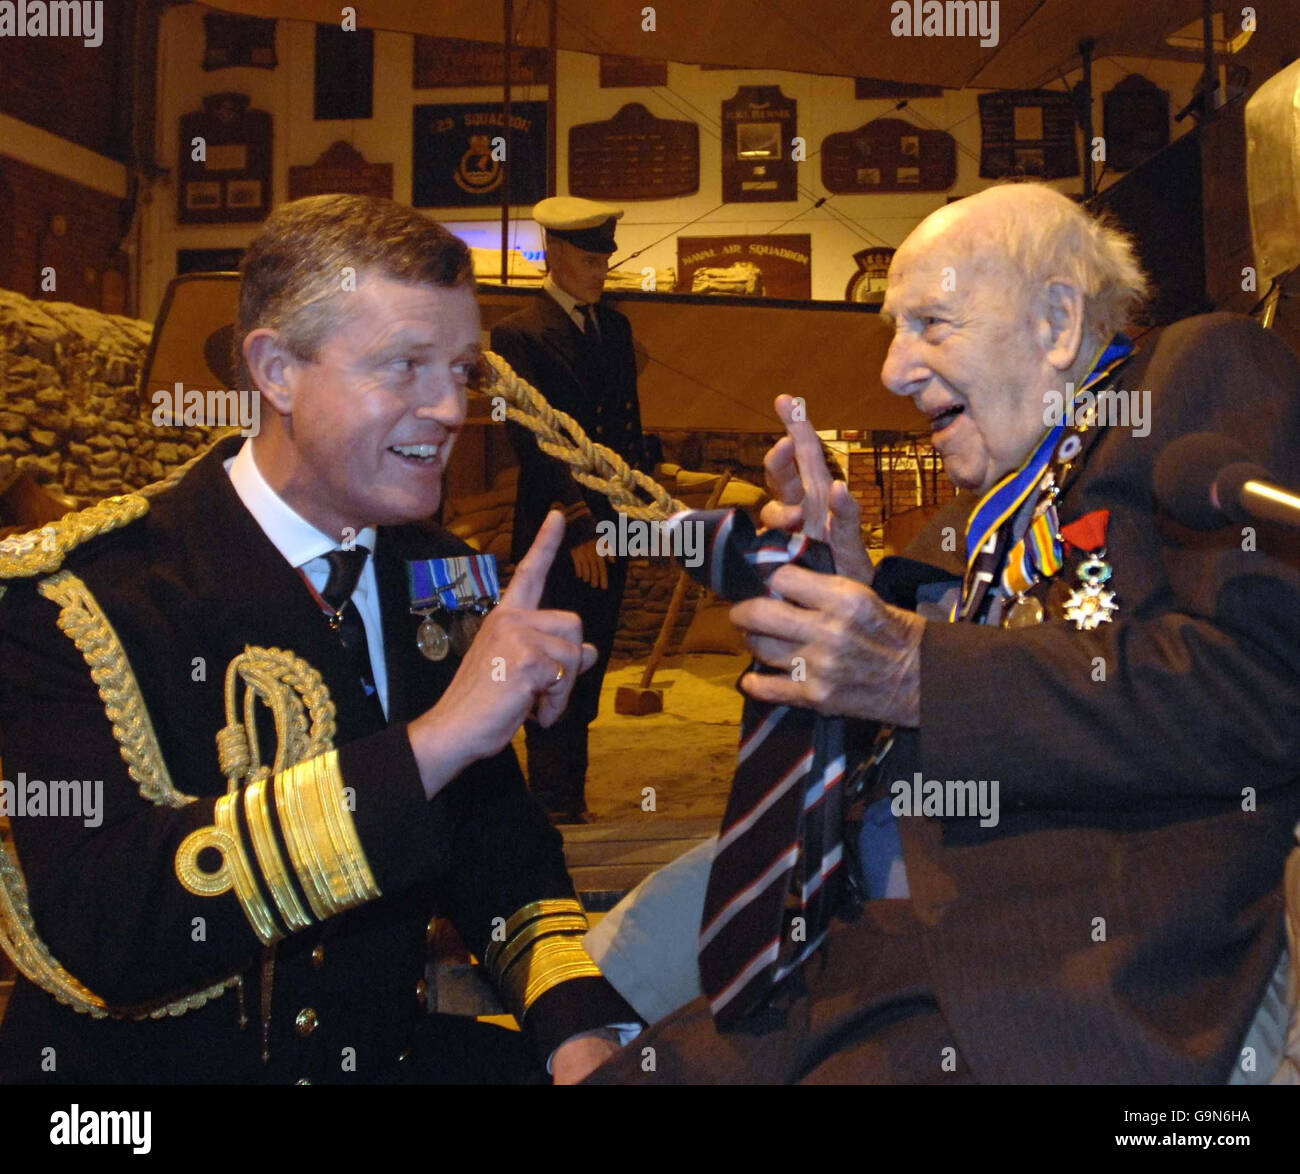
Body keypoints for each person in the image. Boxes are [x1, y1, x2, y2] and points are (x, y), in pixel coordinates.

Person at [585, 181, 1300, 1083]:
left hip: (1044, 965)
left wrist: (918, 673)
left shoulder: (1195, 376)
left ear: (1056, 322)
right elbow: (891, 717)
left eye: (931, 322)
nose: (892, 369)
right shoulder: (962, 524)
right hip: (849, 932)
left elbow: (1267, 691)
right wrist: (830, 587)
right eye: (895, 328)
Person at [0, 194, 638, 1085]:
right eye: (405, 367)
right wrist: (440, 739)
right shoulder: (78, 600)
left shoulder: (443, 577)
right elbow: (104, 930)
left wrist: (576, 1033)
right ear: (277, 370)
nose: (451, 407)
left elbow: (499, 847)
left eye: (460, 369)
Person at [491, 197, 648, 823]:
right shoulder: (519, 333)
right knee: (557, 651)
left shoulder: (615, 328)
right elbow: (533, 436)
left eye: (604, 261)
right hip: (561, 524)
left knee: (595, 653)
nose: (599, 272)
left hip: (613, 518)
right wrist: (578, 523)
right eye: (586, 260)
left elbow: (627, 426)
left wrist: (636, 506)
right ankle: (550, 802)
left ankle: (569, 800)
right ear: (552, 255)